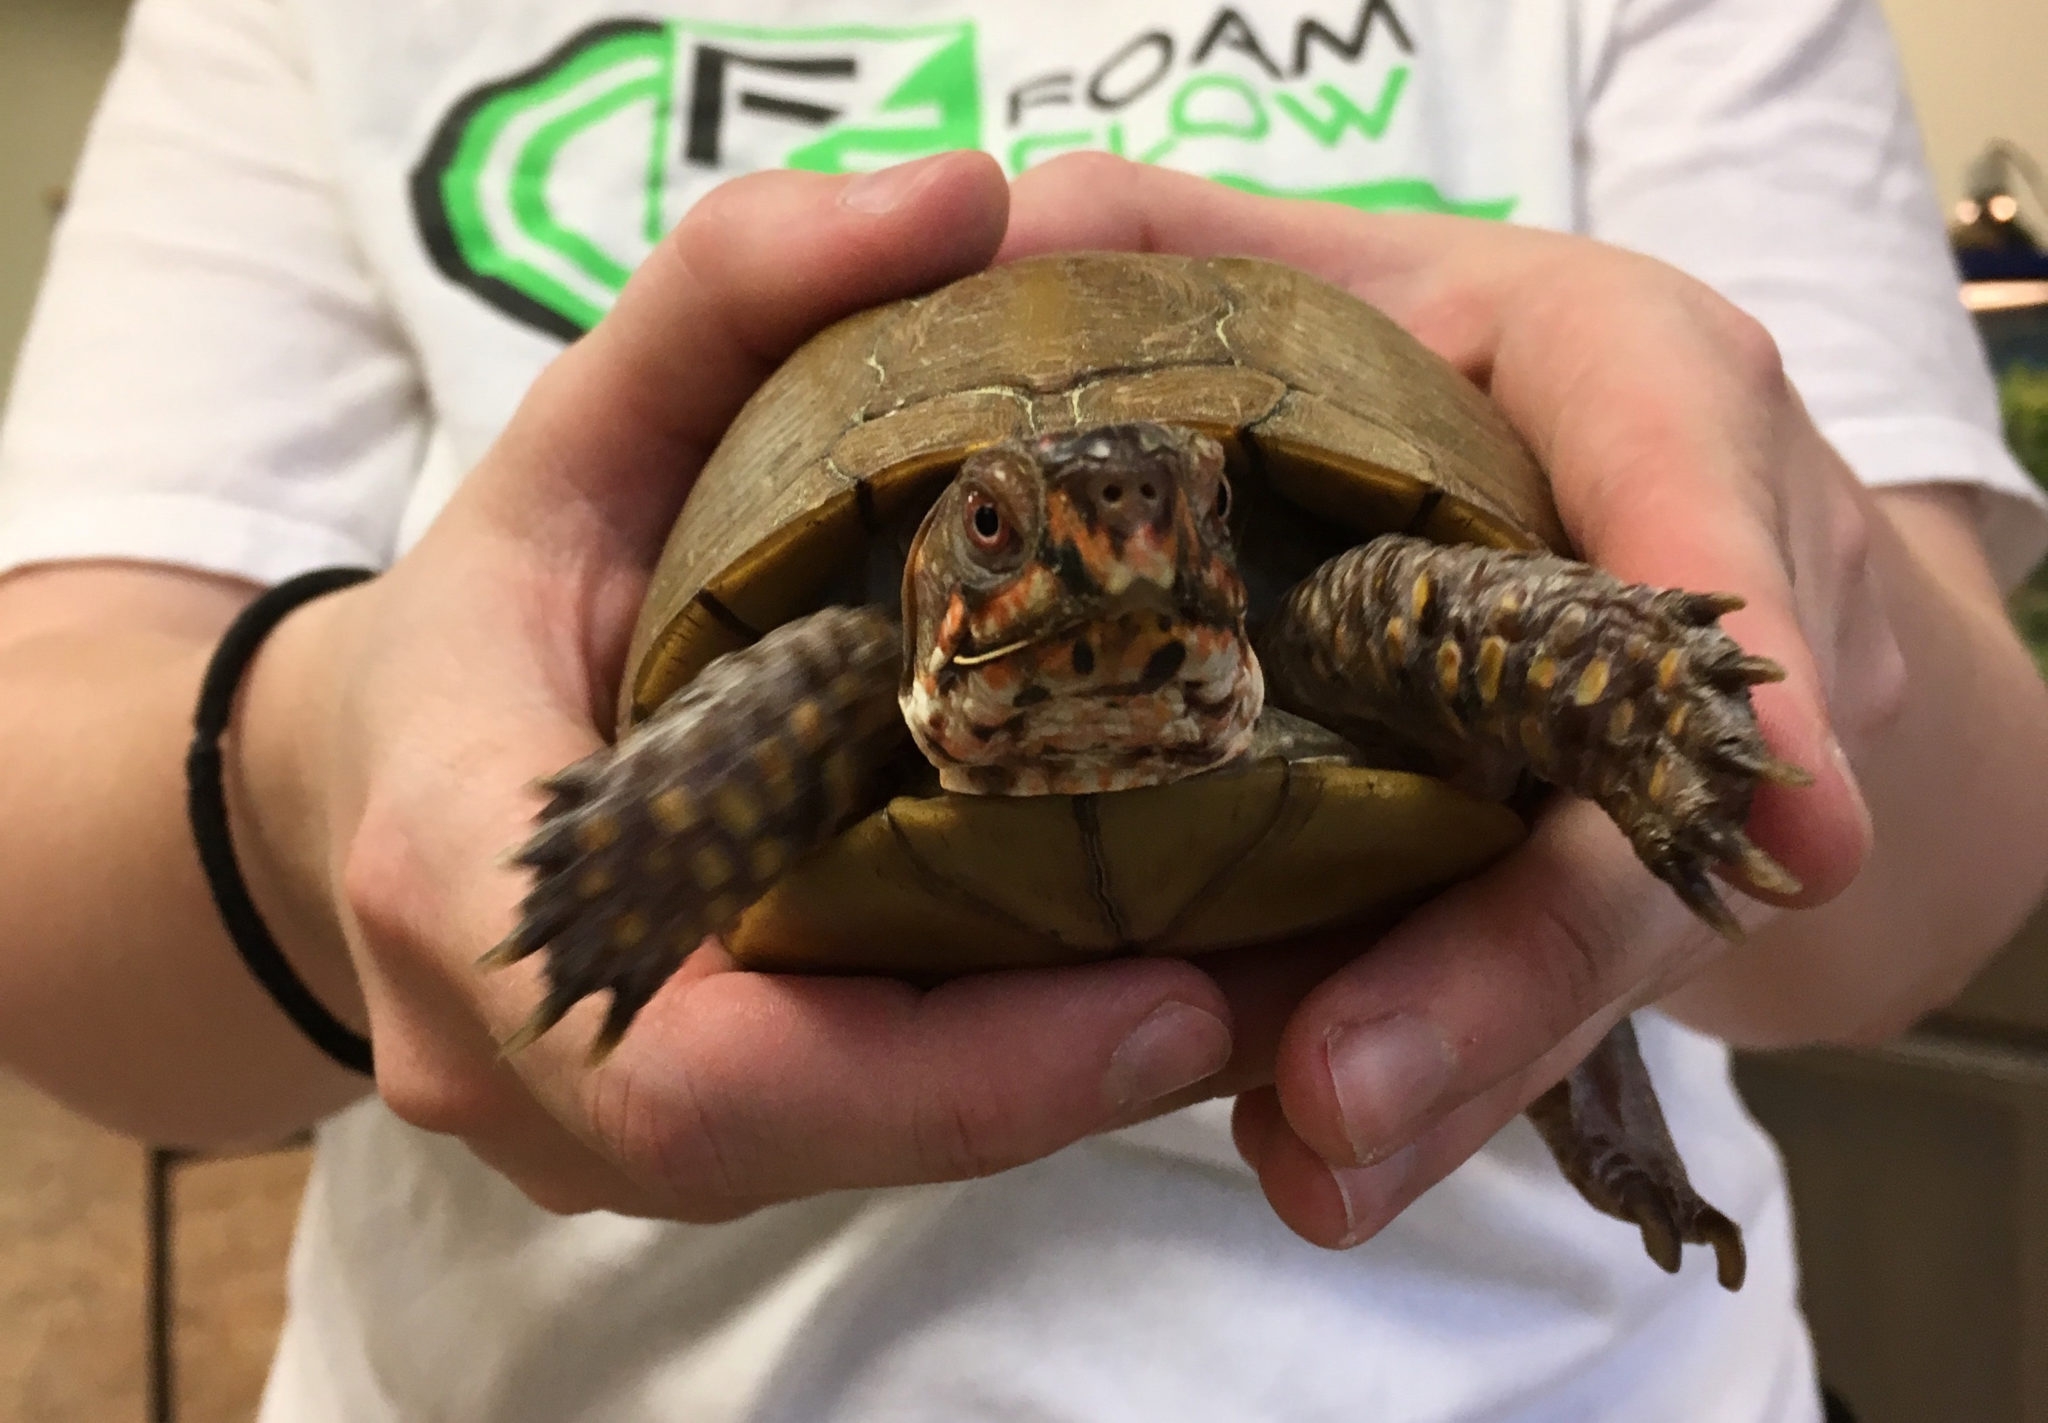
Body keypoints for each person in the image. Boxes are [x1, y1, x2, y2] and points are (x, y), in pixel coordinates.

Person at [2, 0, 2044, 1417]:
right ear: (933, 570)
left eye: (1176, 514)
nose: (1114, 545)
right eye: (1004, 531)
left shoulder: (1346, 620)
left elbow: (1932, 876)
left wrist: (1761, 645)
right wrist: (316, 781)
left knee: (1420, 608)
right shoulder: (841, 681)